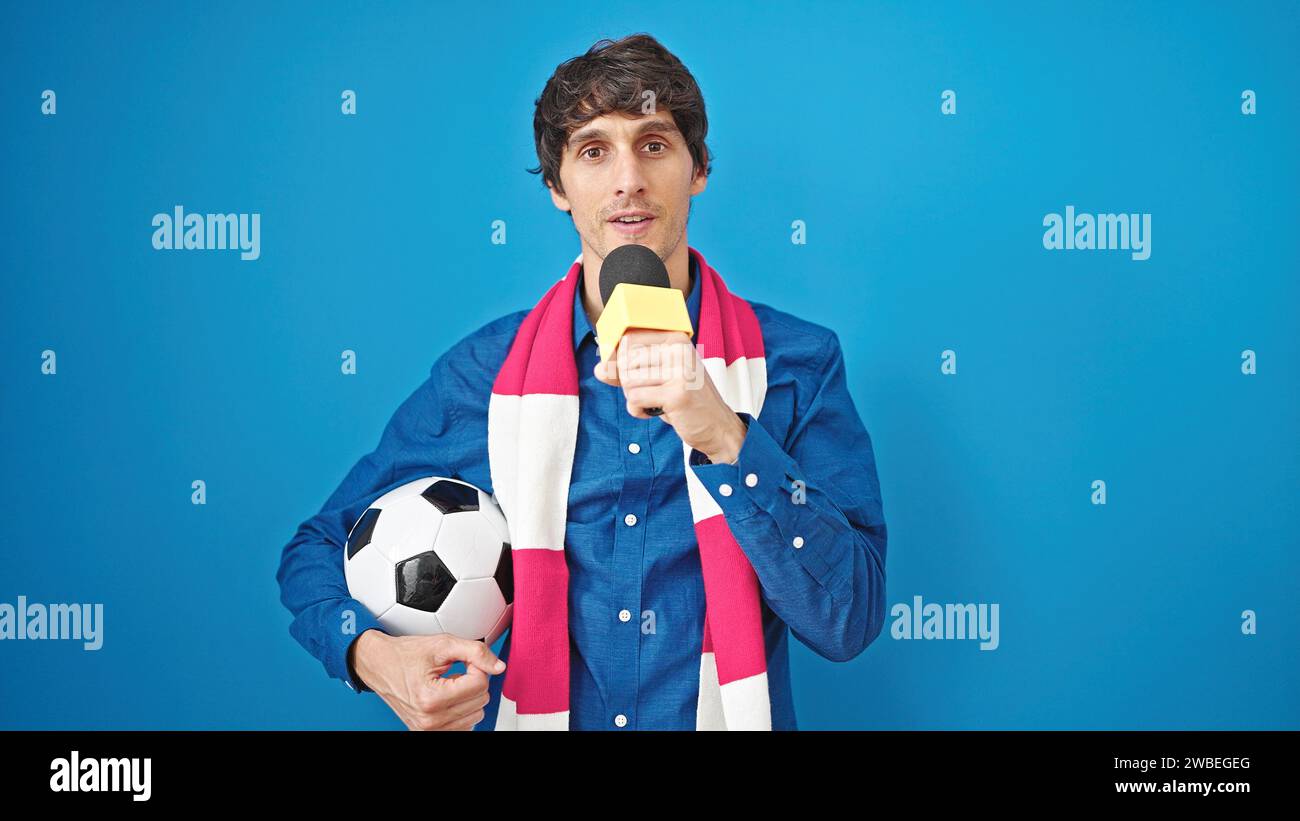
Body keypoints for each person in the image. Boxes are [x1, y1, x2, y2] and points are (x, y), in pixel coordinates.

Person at [276, 32, 888, 731]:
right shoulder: (486, 375)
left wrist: (727, 437)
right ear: (559, 187)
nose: (628, 179)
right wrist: (374, 657)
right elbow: (316, 548)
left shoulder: (797, 365)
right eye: (594, 151)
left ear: (699, 170)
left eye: (653, 144)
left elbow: (851, 619)